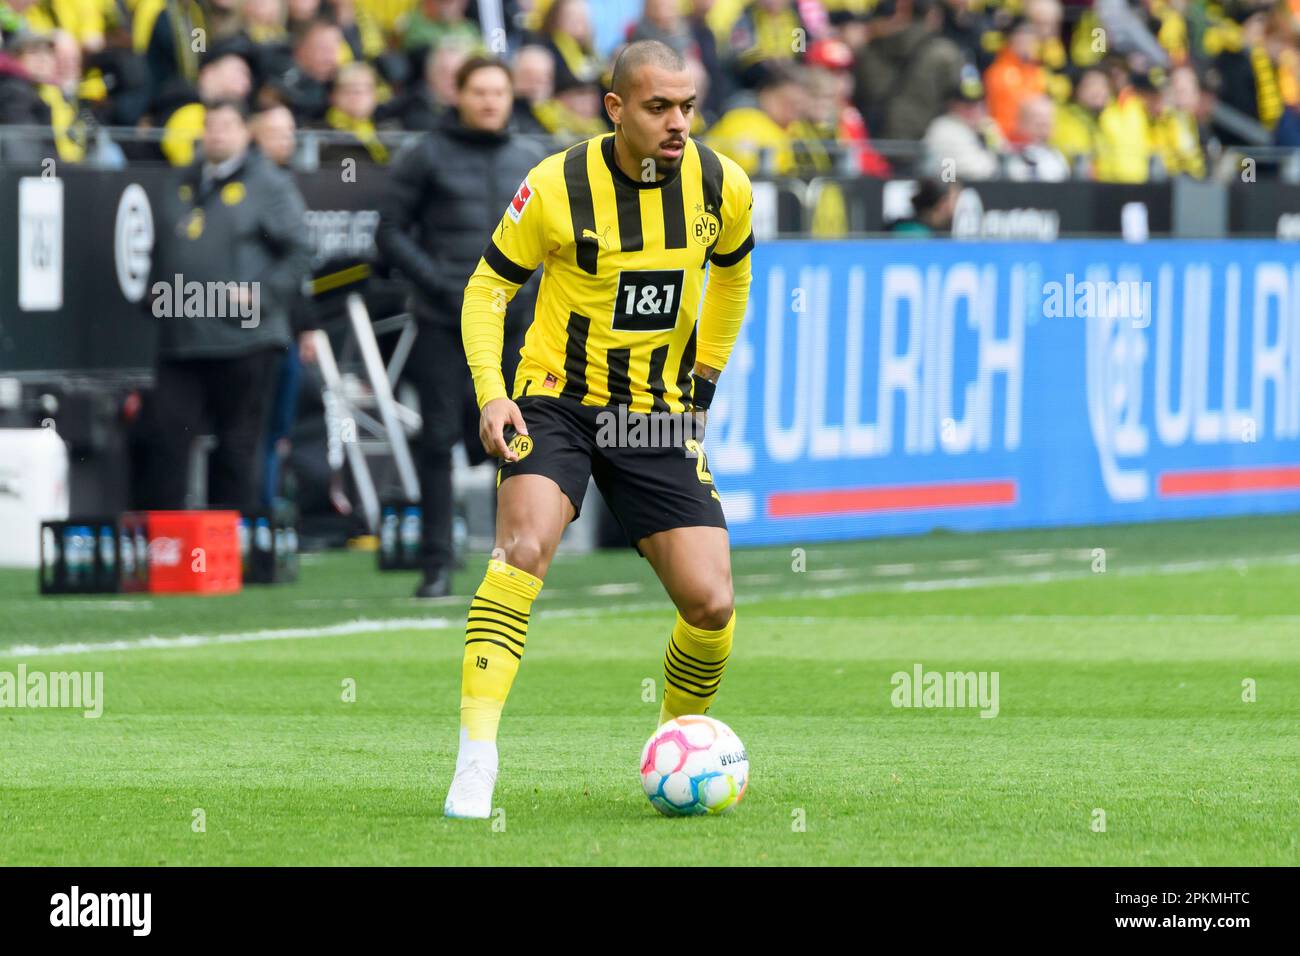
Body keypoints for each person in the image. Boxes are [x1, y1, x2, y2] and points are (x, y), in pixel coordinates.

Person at [442, 39, 754, 819]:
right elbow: (486, 291)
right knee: (524, 549)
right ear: (615, 108)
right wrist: (492, 394)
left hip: (651, 414)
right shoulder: (555, 185)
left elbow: (734, 274)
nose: (679, 122)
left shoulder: (723, 185)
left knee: (711, 602)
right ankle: (476, 757)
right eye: (658, 108)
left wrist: (704, 381)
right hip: (556, 402)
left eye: (686, 106)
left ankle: (673, 745)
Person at [375, 55, 548, 599]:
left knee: (520, 443)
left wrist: (534, 292)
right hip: (441, 323)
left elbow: (555, 238)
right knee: (438, 442)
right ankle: (437, 563)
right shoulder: (424, 155)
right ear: (459, 95)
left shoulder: (530, 157)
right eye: (480, 92)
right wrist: (443, 286)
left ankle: (514, 561)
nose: (491, 101)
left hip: (517, 327)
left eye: (500, 92)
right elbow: (390, 233)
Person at [146, 99, 312, 513]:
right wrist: (154, 292)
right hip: (181, 336)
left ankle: (232, 545)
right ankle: (167, 544)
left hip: (245, 338)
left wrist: (264, 294)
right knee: (165, 435)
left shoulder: (268, 183)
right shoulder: (179, 181)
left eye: (227, 125)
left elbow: (300, 251)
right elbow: (161, 247)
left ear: (245, 133)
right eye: (210, 124)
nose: (216, 133)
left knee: (237, 444)